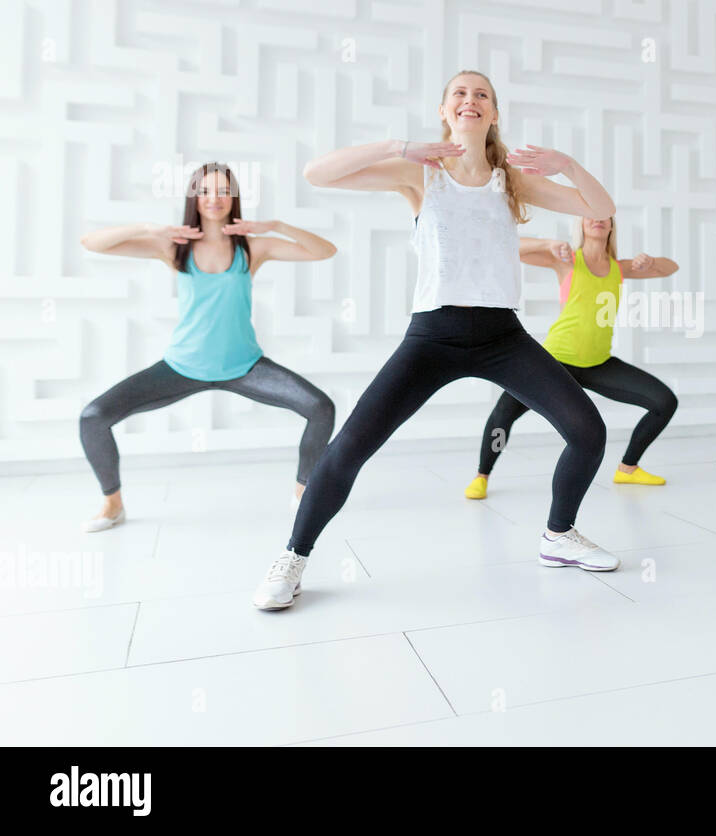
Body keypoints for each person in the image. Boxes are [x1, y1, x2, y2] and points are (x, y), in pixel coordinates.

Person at [253, 70, 621, 610]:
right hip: (433, 335)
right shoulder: (420, 173)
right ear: (446, 111)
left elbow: (600, 208)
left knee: (587, 430)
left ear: (493, 114)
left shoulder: (512, 180)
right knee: (351, 447)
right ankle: (293, 557)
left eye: (482, 95)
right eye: (460, 93)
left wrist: (567, 166)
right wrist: (399, 146)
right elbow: (317, 174)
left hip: (502, 335)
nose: (470, 100)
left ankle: (559, 536)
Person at [78, 162, 336, 533]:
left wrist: (276, 226)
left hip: (245, 366)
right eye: (205, 191)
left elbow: (324, 250)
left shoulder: (252, 246)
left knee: (320, 407)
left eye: (223, 191)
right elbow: (92, 243)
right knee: (93, 416)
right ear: (194, 199)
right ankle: (112, 504)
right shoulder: (175, 246)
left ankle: (302, 494)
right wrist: (148, 228)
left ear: (234, 198)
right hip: (182, 367)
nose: (214, 199)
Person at [466, 216, 679, 498]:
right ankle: (482, 475)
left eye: (604, 216)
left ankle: (628, 468)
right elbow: (506, 247)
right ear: (580, 225)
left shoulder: (619, 268)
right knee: (503, 415)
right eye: (590, 215)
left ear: (613, 225)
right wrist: (548, 244)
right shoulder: (566, 261)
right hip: (553, 362)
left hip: (597, 364)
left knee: (664, 402)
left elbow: (670, 268)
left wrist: (650, 262)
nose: (598, 220)